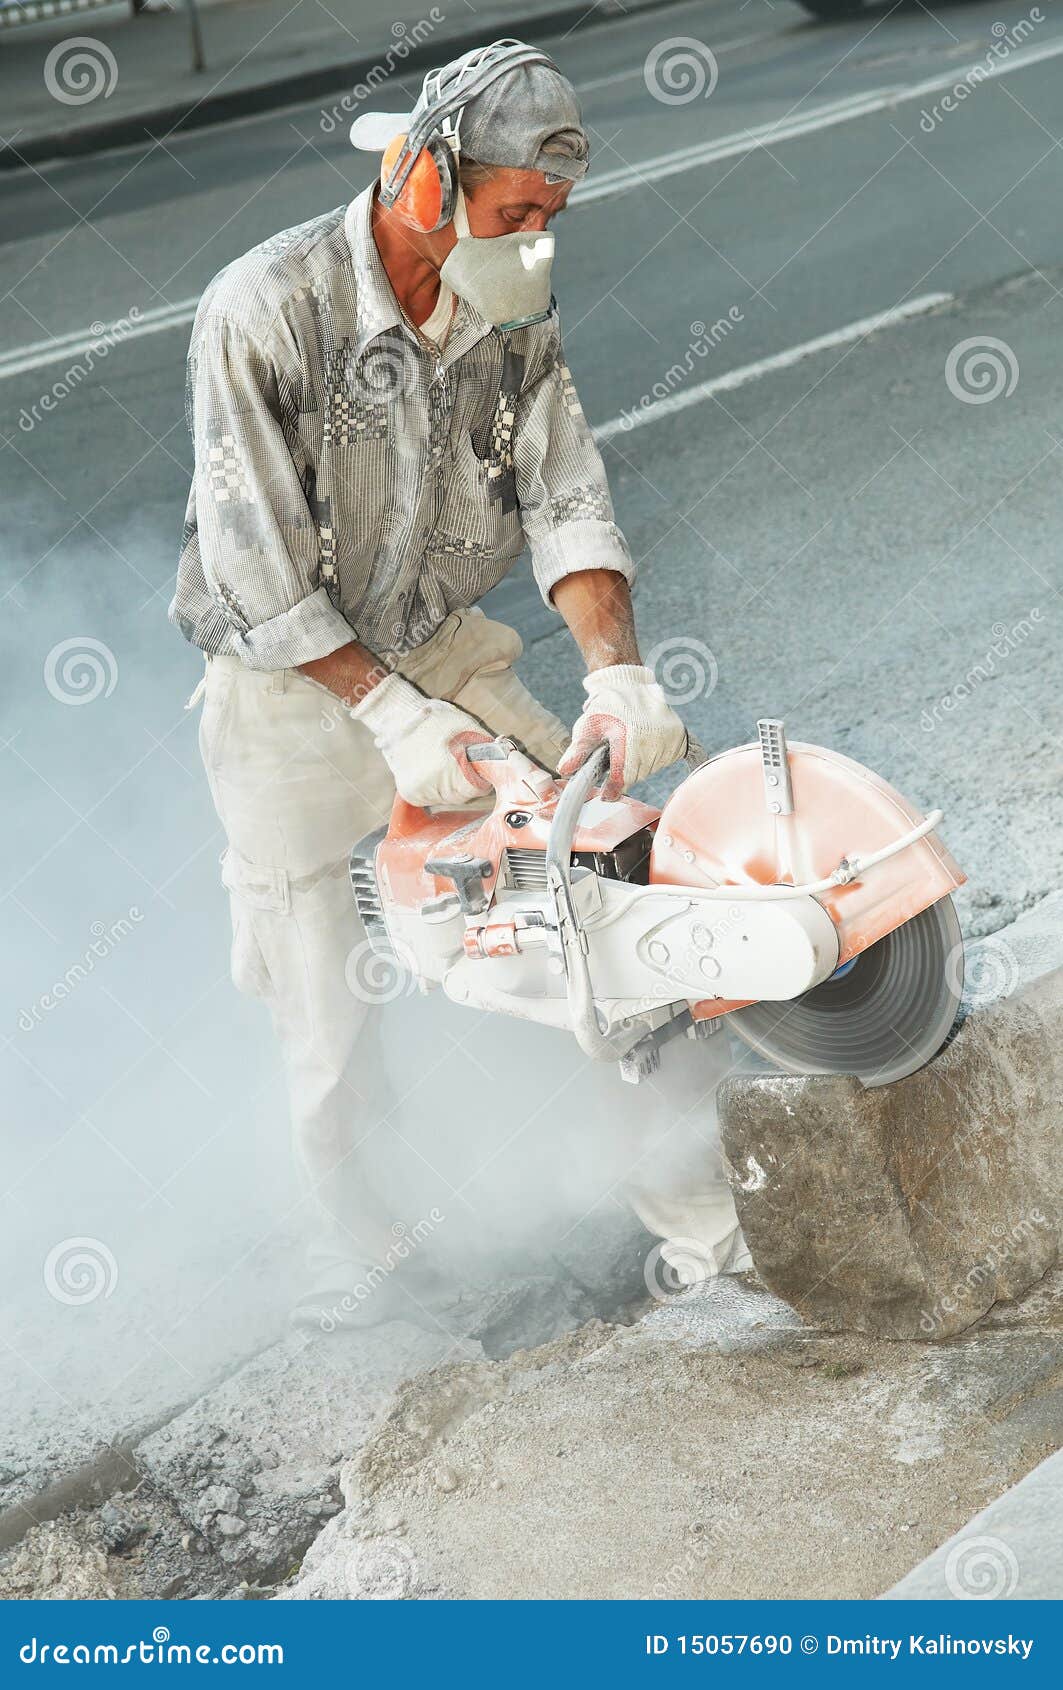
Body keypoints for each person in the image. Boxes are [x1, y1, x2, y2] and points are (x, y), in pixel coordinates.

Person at [170, 39, 700, 1329]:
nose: (538, 244)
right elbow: (257, 574)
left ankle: (698, 1225)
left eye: (553, 219)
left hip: (441, 645)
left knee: (597, 894)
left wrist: (616, 672)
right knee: (327, 1017)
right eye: (516, 214)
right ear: (428, 177)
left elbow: (562, 487)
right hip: (285, 688)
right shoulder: (266, 312)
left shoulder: (507, 302)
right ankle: (360, 1250)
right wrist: (391, 719)